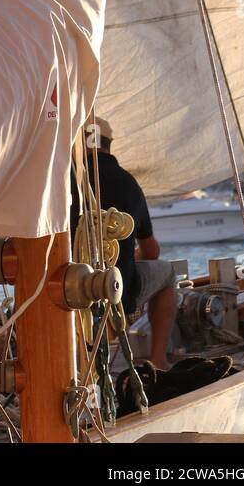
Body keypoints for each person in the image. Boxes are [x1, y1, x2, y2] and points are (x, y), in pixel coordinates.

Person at [72, 116, 176, 369]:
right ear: (109, 143)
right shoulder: (127, 183)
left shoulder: (63, 182)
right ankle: (158, 360)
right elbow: (152, 251)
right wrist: (127, 255)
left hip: (68, 287)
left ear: (76, 142)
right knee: (168, 273)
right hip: (117, 289)